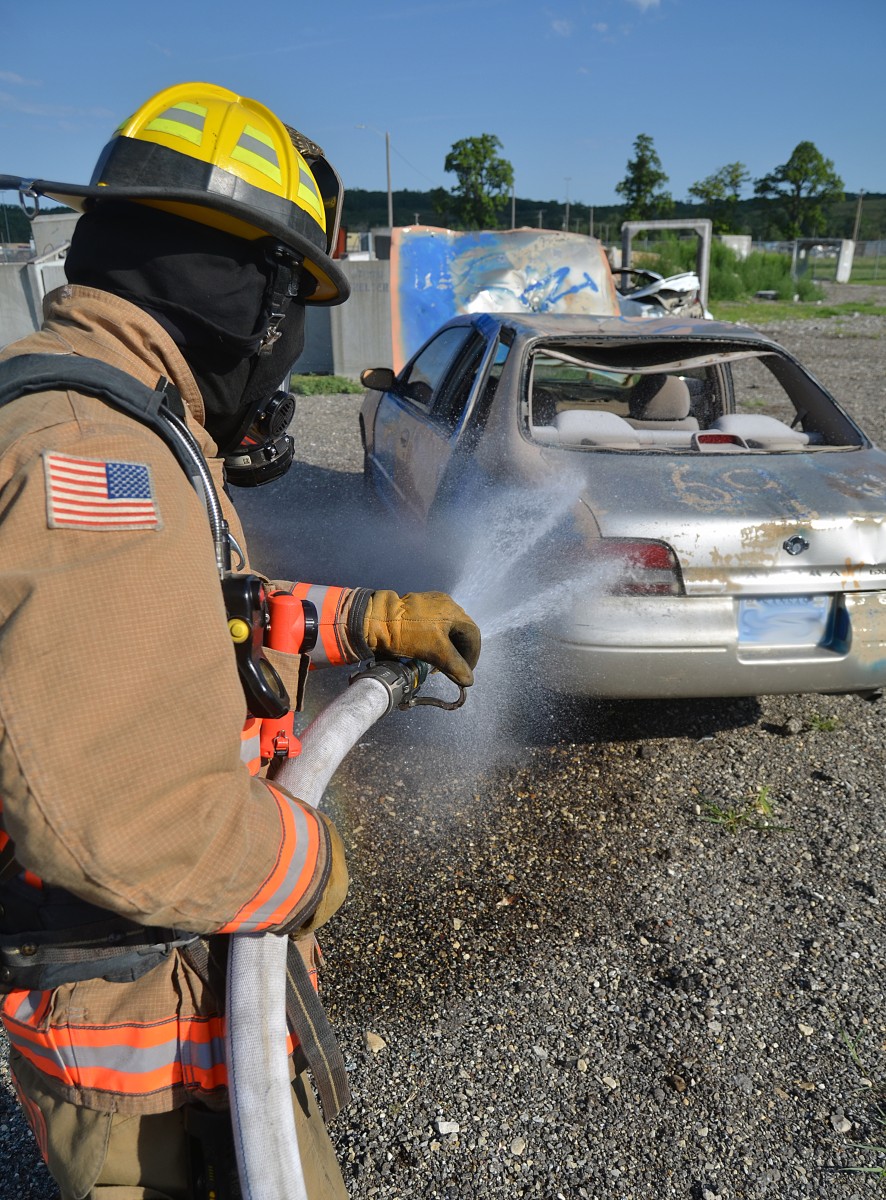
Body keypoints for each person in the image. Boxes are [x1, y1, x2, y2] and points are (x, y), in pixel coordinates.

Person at [0, 81, 480, 1199]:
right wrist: (309, 863)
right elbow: (127, 819)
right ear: (253, 299)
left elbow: (191, 614)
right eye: (297, 301)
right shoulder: (93, 460)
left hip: (185, 982)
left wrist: (363, 619)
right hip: (142, 1048)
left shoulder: (114, 416)